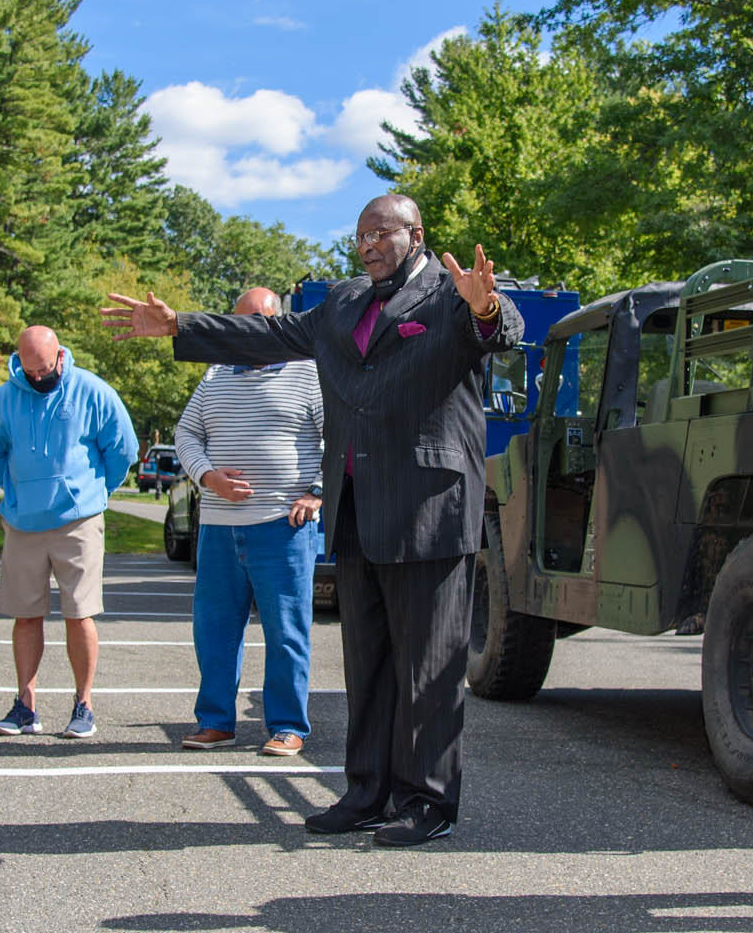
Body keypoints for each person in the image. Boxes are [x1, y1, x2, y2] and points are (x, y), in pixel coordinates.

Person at [104, 193, 524, 846]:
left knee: (429, 669)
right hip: (357, 510)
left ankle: (429, 801)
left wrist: (487, 307)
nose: (368, 244)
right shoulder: (343, 302)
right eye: (360, 235)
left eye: (381, 232)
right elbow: (268, 334)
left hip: (428, 511)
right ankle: (367, 792)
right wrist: (180, 327)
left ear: (416, 234)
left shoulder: (451, 295)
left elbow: (500, 330)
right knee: (368, 664)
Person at [171, 287, 325, 757]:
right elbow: (185, 433)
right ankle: (216, 722)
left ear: (278, 322)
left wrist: (317, 493)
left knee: (285, 631)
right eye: (240, 322)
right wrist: (207, 476)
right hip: (219, 526)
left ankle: (287, 726)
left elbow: (341, 436)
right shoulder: (215, 375)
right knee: (215, 630)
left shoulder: (308, 373)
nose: (249, 330)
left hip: (283, 524)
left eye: (259, 320)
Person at [0, 324, 137, 739]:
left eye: (46, 370)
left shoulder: (93, 391)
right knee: (25, 616)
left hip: (78, 520)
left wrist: (94, 492)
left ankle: (83, 706)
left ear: (60, 356)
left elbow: (123, 450)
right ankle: (24, 706)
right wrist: (15, 491)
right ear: (20, 365)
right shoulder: (5, 397)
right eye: (31, 372)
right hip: (23, 522)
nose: (40, 378)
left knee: (79, 614)